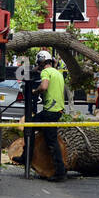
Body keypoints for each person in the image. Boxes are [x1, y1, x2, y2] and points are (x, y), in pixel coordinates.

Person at [35, 50, 67, 182]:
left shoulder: (46, 72)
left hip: (50, 111)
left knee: (52, 141)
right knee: (32, 125)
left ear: (42, 62)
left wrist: (35, 91)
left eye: (39, 63)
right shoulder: (58, 73)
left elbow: (44, 86)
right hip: (57, 110)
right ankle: (27, 155)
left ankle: (60, 172)